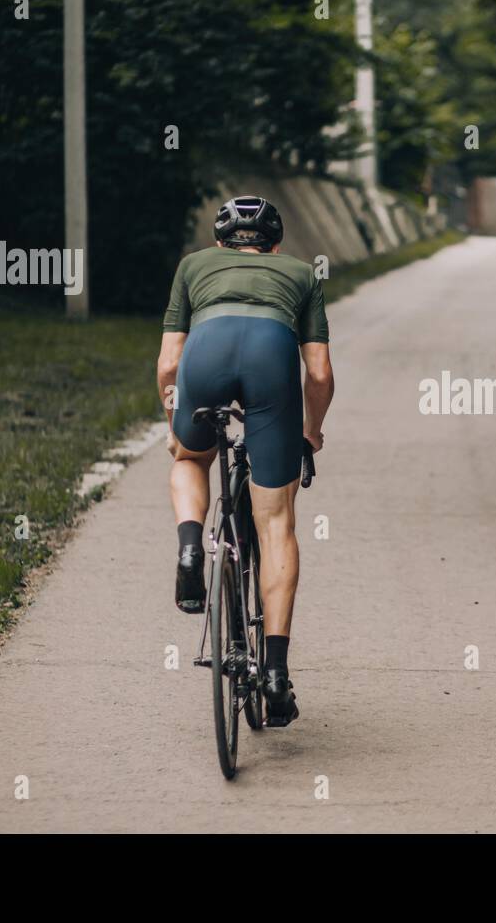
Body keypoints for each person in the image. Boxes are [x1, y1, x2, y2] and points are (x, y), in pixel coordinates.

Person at [156, 195, 334, 727]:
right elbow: (319, 373)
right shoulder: (302, 275)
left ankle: (192, 550)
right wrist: (311, 433)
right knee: (275, 521)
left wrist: (176, 424)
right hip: (270, 362)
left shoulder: (193, 266)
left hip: (205, 359)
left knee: (190, 458)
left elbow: (169, 362)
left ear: (220, 241)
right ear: (275, 244)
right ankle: (276, 674)